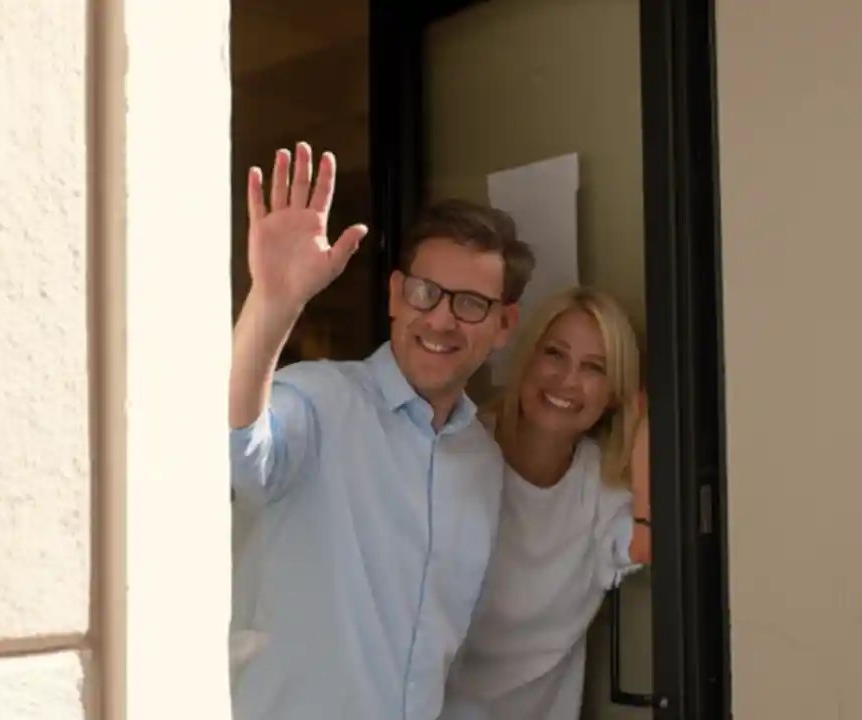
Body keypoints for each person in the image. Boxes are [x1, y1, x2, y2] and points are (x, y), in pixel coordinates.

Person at [229, 142, 536, 719]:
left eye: (471, 303)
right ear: (397, 294)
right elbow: (234, 454)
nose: (442, 319)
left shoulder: (483, 462)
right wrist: (273, 303)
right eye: (426, 293)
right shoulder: (319, 400)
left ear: (504, 325)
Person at [438, 287, 652, 720]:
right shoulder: (458, 448)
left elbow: (640, 546)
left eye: (594, 368)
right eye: (555, 354)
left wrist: (643, 424)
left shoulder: (598, 483)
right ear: (527, 357)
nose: (567, 380)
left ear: (613, 394)